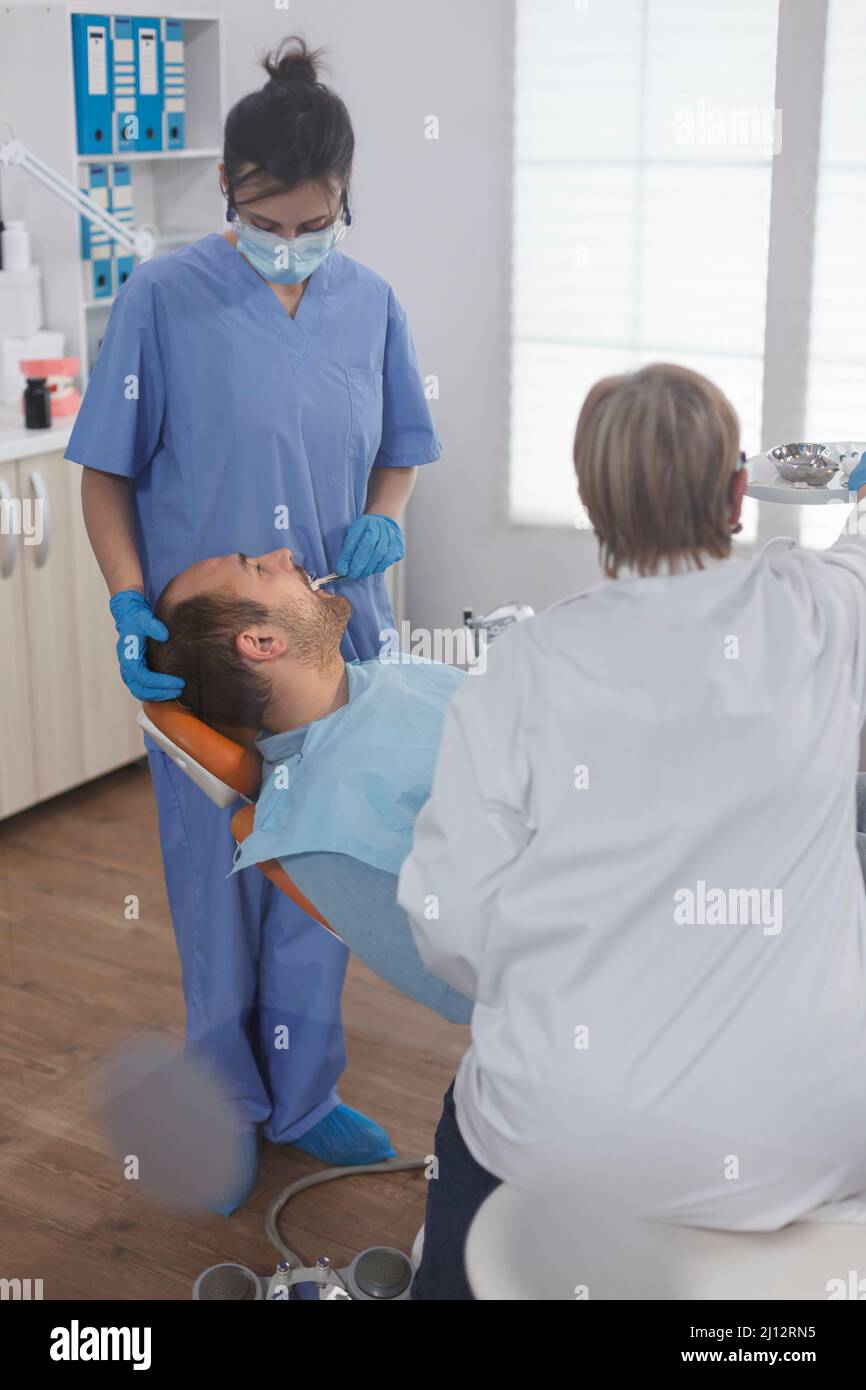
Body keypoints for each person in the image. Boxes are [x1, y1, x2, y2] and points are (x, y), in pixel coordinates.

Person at [66, 37, 442, 1214]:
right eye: (268, 215)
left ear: (343, 198)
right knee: (212, 879)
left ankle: (305, 1089)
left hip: (333, 652)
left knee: (315, 879)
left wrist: (384, 522)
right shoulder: (162, 300)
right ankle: (225, 1095)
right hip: (207, 669)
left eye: (313, 216)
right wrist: (129, 598)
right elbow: (102, 475)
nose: (290, 237)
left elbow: (400, 457)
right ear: (228, 190)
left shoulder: (371, 303)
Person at [398, 363, 866, 1299]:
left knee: (465, 1126)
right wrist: (828, 476)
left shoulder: (520, 669)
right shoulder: (821, 609)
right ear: (737, 494)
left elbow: (451, 927)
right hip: (809, 1134)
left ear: (587, 501)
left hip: (567, 1137)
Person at [147, 547, 471, 1023]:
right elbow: (481, 976)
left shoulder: (392, 673)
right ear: (260, 642)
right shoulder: (321, 824)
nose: (284, 553)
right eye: (256, 568)